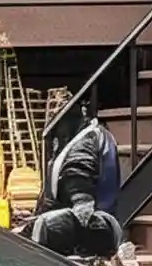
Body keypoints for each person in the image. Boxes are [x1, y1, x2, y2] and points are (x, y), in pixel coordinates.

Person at [31, 110, 122, 258]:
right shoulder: (93, 135)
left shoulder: (86, 140)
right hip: (90, 221)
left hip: (84, 229)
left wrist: (81, 200)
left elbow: (77, 171)